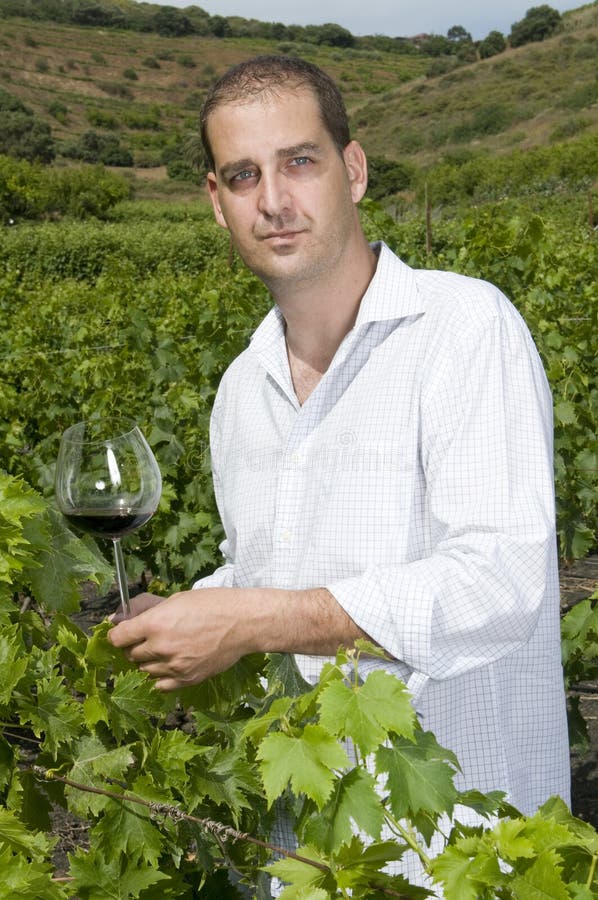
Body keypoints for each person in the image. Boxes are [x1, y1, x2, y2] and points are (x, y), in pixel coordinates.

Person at [108, 53, 570, 883]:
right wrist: (197, 609)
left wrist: (249, 620)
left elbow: (497, 583)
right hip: (296, 857)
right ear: (216, 203)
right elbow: (273, 572)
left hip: (455, 861)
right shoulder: (240, 390)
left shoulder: (464, 329)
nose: (275, 200)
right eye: (243, 175)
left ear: (352, 171)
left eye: (300, 161)